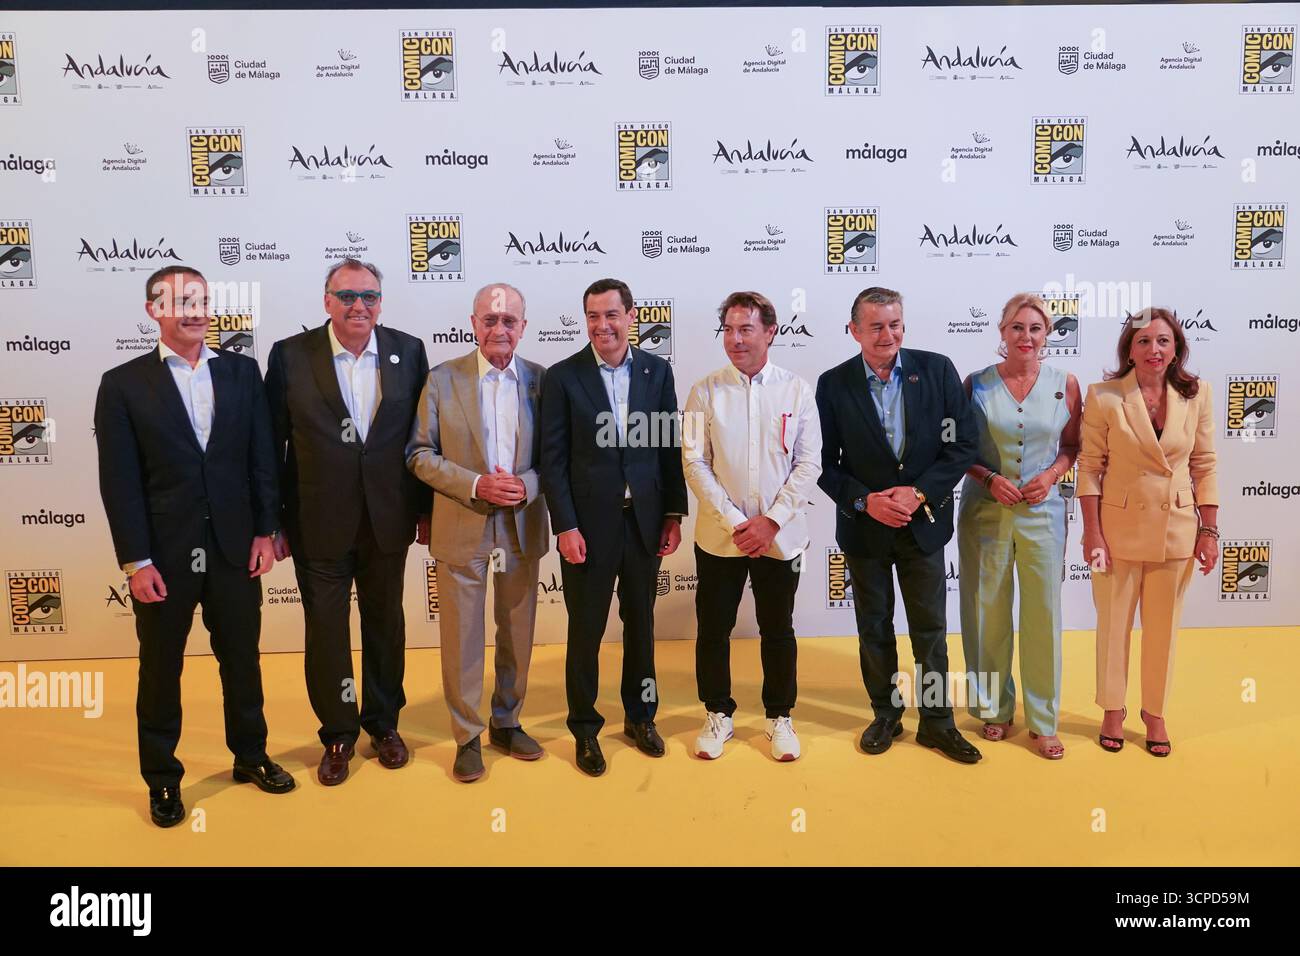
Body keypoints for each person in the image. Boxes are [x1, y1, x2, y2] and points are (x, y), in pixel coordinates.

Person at [94, 265, 293, 827]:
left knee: (242, 660)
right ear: (154, 310)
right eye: (180, 301)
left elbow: (262, 459)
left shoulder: (241, 371)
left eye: (201, 300)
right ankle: (162, 777)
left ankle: (250, 755)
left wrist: (266, 530)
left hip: (235, 548)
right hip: (163, 554)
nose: (194, 311)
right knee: (161, 668)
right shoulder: (122, 383)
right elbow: (120, 482)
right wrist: (136, 561)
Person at [264, 259, 430, 786]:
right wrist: (271, 522)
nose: (359, 305)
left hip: (388, 519)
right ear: (327, 301)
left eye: (369, 296)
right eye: (348, 296)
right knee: (328, 633)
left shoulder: (409, 351)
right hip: (317, 521)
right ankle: (338, 732)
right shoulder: (291, 355)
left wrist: (425, 510)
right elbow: (270, 445)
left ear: (381, 302)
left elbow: (423, 440)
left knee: (386, 626)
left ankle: (384, 724)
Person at [816, 287, 982, 763]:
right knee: (873, 627)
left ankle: (937, 722)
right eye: (875, 326)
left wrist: (919, 492)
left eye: (894, 324)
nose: (887, 334)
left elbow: (963, 445)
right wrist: (866, 501)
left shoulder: (937, 370)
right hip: (865, 529)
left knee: (930, 630)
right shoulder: (833, 384)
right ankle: (886, 714)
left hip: (922, 524)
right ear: (854, 330)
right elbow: (824, 464)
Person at [540, 277, 688, 776]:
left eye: (611, 314)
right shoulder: (563, 377)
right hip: (587, 528)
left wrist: (673, 513)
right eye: (593, 316)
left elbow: (668, 446)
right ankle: (584, 727)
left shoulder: (656, 371)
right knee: (586, 630)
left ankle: (641, 717)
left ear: (631, 317)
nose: (602, 325)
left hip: (643, 523)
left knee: (641, 625)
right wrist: (565, 525)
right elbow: (553, 461)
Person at [406, 283, 548, 783]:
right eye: (490, 320)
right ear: (473, 324)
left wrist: (528, 484)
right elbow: (419, 453)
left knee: (518, 630)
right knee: (462, 635)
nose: (499, 329)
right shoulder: (442, 379)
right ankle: (467, 735)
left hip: (521, 525)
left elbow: (559, 455)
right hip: (462, 522)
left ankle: (507, 722)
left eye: (509, 320)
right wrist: (475, 484)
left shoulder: (542, 381)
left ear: (523, 327)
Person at [682, 291, 821, 761]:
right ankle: (717, 712)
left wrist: (771, 522)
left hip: (781, 538)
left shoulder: (797, 390)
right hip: (720, 537)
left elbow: (809, 463)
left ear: (770, 332)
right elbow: (694, 462)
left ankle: (779, 716)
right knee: (713, 628)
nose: (736, 339)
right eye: (729, 329)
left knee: (778, 628)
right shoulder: (703, 391)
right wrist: (739, 523)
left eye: (746, 329)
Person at [1077, 308, 1219, 757]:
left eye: (1162, 341)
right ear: (1129, 350)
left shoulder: (1198, 394)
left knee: (1164, 630)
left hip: (1176, 529)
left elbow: (1204, 465)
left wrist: (1210, 531)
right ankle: (1112, 709)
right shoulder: (1104, 396)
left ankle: (1154, 712)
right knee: (1112, 626)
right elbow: (1090, 467)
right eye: (1143, 341)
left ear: (1176, 349)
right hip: (1117, 531)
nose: (1153, 349)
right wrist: (1092, 533)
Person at [957, 293, 1081, 759]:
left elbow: (1073, 445)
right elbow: (957, 449)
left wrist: (1051, 476)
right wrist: (988, 478)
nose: (1025, 337)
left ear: (1046, 334)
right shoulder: (976, 384)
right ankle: (994, 709)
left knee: (1043, 615)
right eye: (1017, 327)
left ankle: (1043, 720)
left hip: (1043, 515)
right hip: (984, 513)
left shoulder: (1066, 384)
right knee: (985, 612)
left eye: (1034, 328)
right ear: (1002, 332)